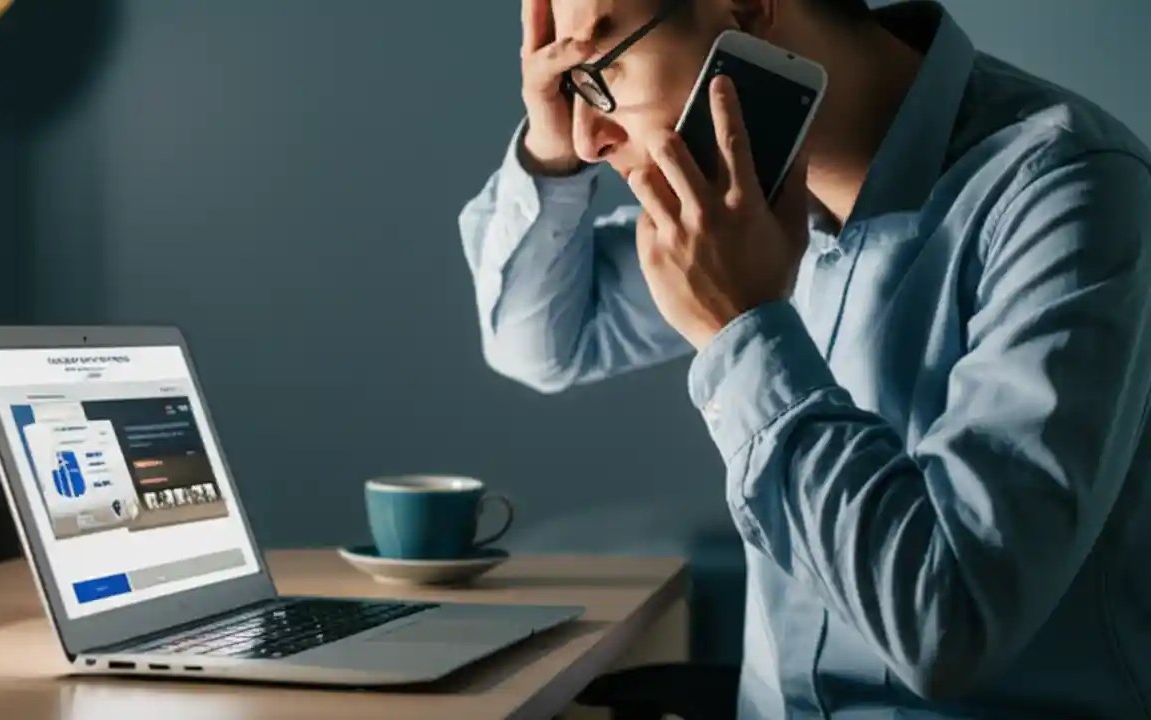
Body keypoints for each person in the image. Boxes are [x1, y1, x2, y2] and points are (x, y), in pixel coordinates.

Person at [457, 0, 1151, 716]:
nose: (590, 140)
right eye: (566, 84)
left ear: (749, 9)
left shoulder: (1070, 189)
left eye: (599, 73)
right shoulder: (743, 191)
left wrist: (744, 327)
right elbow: (540, 341)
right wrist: (548, 150)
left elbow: (949, 624)